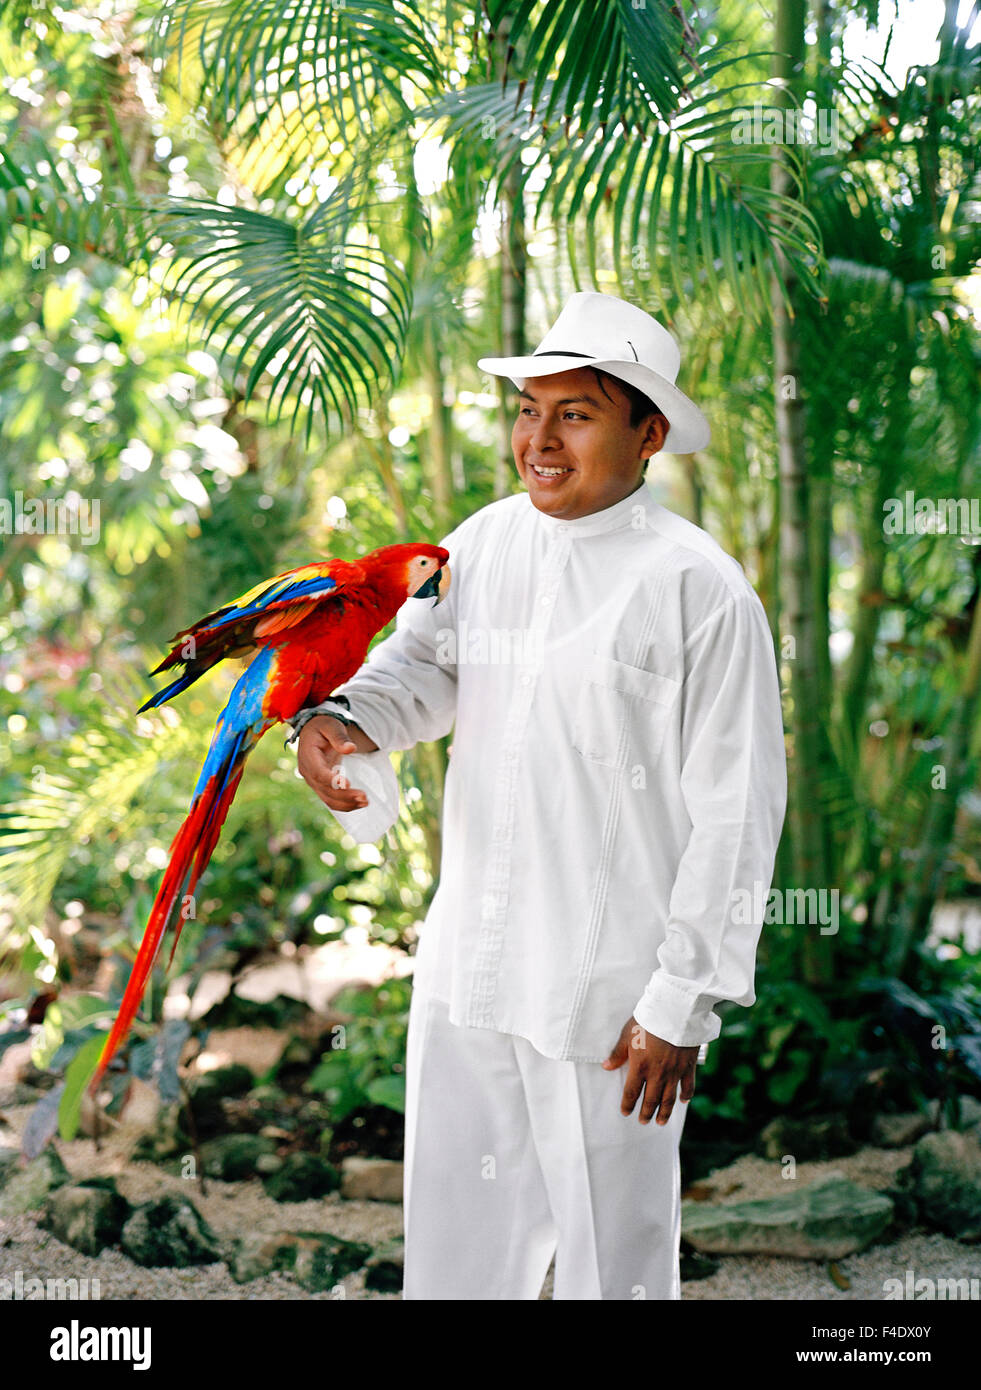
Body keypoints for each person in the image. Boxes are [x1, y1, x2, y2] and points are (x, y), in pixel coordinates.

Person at [290, 291, 787, 1300]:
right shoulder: (481, 544)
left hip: (612, 1000)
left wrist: (682, 1002)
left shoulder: (703, 589)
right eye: (528, 410)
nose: (539, 439)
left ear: (648, 433)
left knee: (616, 1261)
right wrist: (341, 721)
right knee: (457, 1251)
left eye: (576, 413)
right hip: (471, 966)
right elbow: (421, 669)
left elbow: (738, 812)